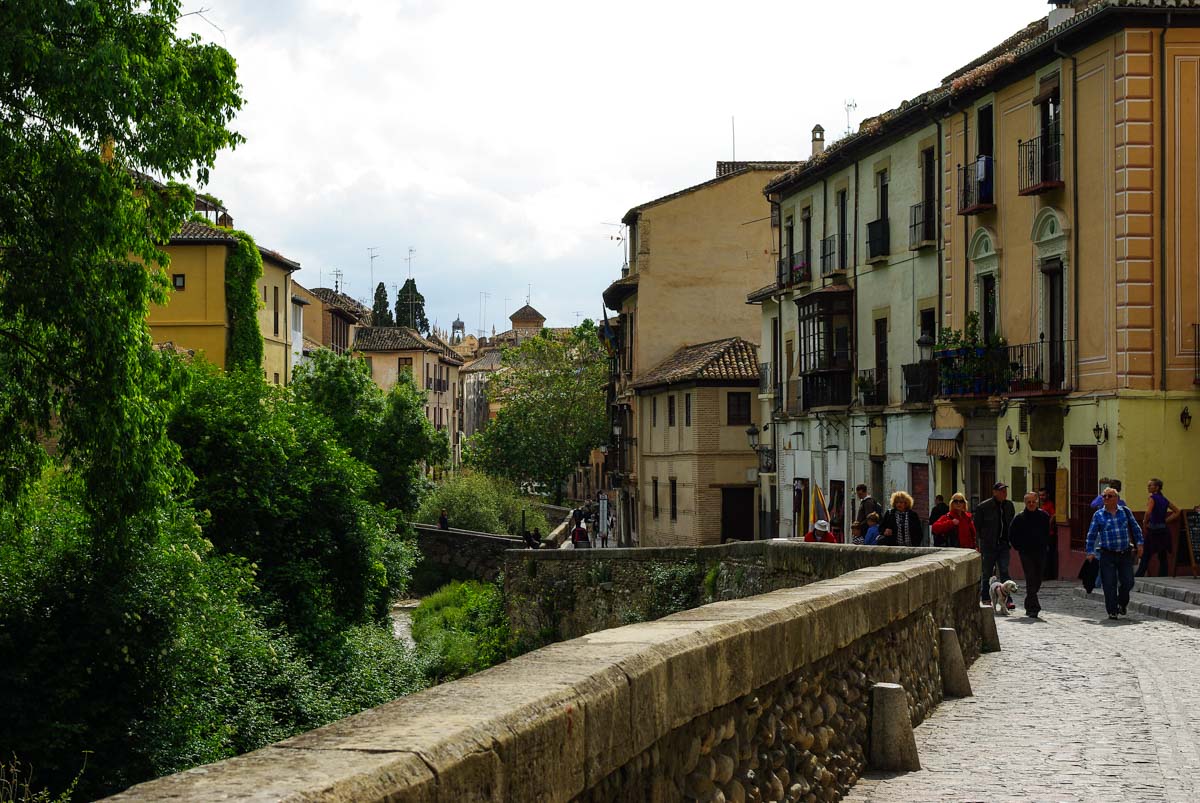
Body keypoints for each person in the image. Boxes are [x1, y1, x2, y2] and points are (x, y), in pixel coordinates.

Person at [1086, 486, 1144, 619]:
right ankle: (1112, 610)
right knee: (1109, 583)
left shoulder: (1125, 511)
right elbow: (1091, 534)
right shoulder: (1098, 515)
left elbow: (1136, 528)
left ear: (1117, 498)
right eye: (1104, 496)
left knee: (1128, 581)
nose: (1106, 498)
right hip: (1107, 553)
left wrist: (1140, 543)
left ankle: (1122, 603)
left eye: (1109, 496)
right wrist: (1090, 551)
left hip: (1124, 553)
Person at [1010, 492, 1052, 618]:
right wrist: (1019, 547)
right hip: (1026, 553)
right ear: (1025, 503)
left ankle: (1029, 602)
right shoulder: (1019, 518)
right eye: (1029, 502)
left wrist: (1045, 545)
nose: (1031, 504)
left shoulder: (1044, 516)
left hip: (1041, 552)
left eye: (1033, 501)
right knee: (1030, 577)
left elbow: (1047, 532)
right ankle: (1034, 608)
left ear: (1037, 502)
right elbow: (1012, 534)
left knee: (1038, 579)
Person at [975, 482, 1016, 608]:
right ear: (994, 492)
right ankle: (986, 598)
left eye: (1005, 491)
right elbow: (977, 526)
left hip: (1004, 544)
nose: (1004, 493)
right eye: (1001, 491)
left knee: (1004, 571)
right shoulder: (983, 507)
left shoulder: (1009, 505)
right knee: (987, 572)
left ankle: (1007, 599)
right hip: (989, 545)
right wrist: (984, 539)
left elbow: (1011, 523)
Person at [1137, 478, 1179, 577]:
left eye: (1150, 485)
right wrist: (1166, 520)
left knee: (1146, 554)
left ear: (1157, 487)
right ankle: (1163, 575)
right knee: (1162, 554)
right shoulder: (1164, 499)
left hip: (1153, 530)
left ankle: (1139, 575)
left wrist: (1144, 522)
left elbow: (1148, 512)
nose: (1148, 487)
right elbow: (1177, 511)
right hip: (1163, 530)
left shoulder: (1153, 498)